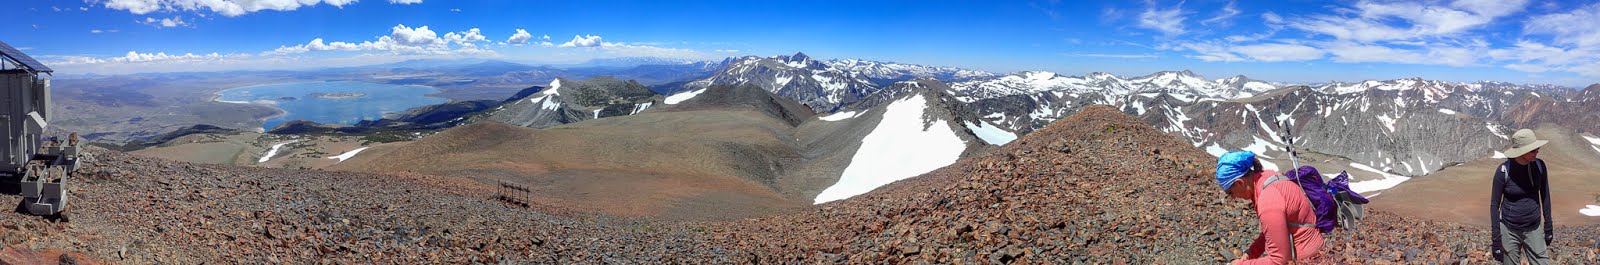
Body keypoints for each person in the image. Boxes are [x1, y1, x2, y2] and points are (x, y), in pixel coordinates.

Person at [1216, 151, 1323, 264]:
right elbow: (1275, 229)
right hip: (1313, 249)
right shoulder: (1269, 176)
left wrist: (1239, 264)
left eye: (1230, 192)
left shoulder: (1268, 201)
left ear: (1240, 183)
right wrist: (1252, 252)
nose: (1233, 197)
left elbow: (1279, 260)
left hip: (1305, 259)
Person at [1490, 129, 1553, 264]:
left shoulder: (1539, 166)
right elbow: (1494, 205)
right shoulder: (1503, 171)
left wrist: (1549, 226)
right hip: (1508, 229)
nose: (1537, 151)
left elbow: (1545, 195)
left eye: (1537, 148)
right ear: (1521, 151)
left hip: (1534, 227)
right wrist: (1496, 239)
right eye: (1532, 150)